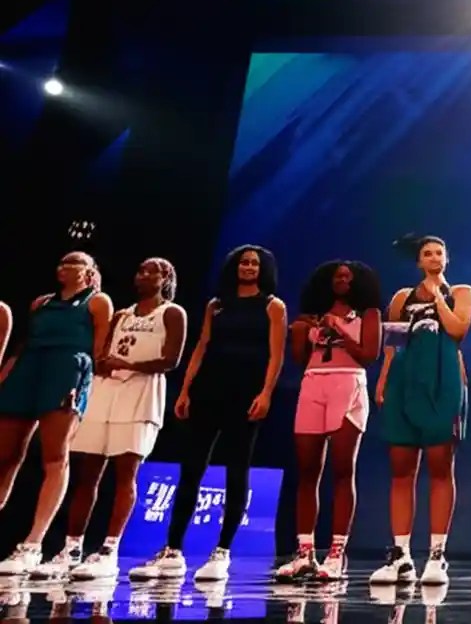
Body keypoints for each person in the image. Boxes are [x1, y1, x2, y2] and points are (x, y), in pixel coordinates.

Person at [129, 245, 287, 582]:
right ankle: (172, 550)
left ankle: (222, 552)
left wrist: (266, 393)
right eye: (243, 262)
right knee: (191, 468)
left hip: (246, 393)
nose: (248, 267)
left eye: (254, 264)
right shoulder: (216, 305)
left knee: (237, 468)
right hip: (208, 389)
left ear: (264, 269)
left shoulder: (273, 306)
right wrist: (186, 388)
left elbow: (276, 354)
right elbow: (201, 347)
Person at [37, 259, 186, 582]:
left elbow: (171, 360)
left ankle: (108, 550)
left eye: (153, 271)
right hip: (107, 392)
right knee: (87, 473)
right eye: (140, 269)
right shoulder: (122, 314)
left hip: (141, 394)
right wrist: (103, 363)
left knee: (125, 474)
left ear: (167, 278)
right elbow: (101, 352)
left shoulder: (172, 313)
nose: (144, 274)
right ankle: (71, 548)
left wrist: (129, 363)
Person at [369, 235, 471, 586]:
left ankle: (437, 556)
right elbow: (392, 343)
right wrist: (384, 380)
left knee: (441, 466)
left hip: (444, 380)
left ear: (447, 259)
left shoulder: (461, 292)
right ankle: (400, 555)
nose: (433, 257)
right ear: (418, 261)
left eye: (439, 253)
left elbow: (458, 330)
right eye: (427, 254)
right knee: (401, 468)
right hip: (405, 381)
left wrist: (438, 295)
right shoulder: (401, 298)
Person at [0, 252, 113, 575]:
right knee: (6, 454)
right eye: (62, 261)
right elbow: (24, 345)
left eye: (74, 263)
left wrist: (82, 382)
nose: (65, 266)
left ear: (89, 272)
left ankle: (33, 544)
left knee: (54, 455)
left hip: (67, 371)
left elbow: (99, 350)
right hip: (29, 369)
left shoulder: (97, 301)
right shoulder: (41, 303)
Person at [275, 261, 383, 582]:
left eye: (348, 277)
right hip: (313, 382)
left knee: (342, 469)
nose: (342, 280)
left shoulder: (369, 314)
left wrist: (337, 328)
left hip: (348, 382)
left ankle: (336, 553)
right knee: (307, 470)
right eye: (337, 276)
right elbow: (298, 357)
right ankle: (304, 552)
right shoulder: (314, 314)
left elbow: (369, 354)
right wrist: (298, 331)